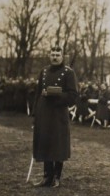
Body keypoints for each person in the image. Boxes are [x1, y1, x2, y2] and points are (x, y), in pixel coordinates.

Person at [31, 46, 78, 188]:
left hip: (58, 114)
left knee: (57, 145)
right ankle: (47, 176)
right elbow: (38, 94)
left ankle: (56, 177)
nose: (55, 57)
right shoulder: (44, 71)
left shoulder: (68, 73)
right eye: (52, 54)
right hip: (44, 113)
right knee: (45, 143)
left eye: (58, 54)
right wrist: (35, 114)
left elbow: (73, 96)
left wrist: (56, 95)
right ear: (49, 55)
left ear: (63, 56)